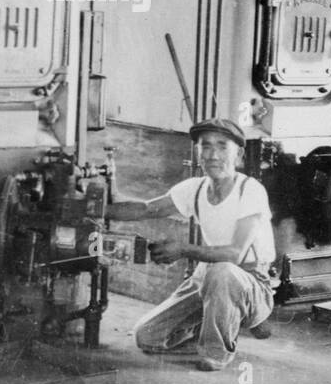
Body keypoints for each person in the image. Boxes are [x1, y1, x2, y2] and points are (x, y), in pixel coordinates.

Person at [109, 118, 276, 371]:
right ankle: (210, 322)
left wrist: (182, 249)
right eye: (205, 146)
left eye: (222, 146)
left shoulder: (250, 190)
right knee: (147, 336)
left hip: (251, 279)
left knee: (223, 272)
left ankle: (216, 352)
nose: (212, 155)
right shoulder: (194, 189)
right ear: (197, 153)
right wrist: (100, 209)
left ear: (239, 154)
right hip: (208, 276)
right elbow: (148, 209)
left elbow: (234, 253)